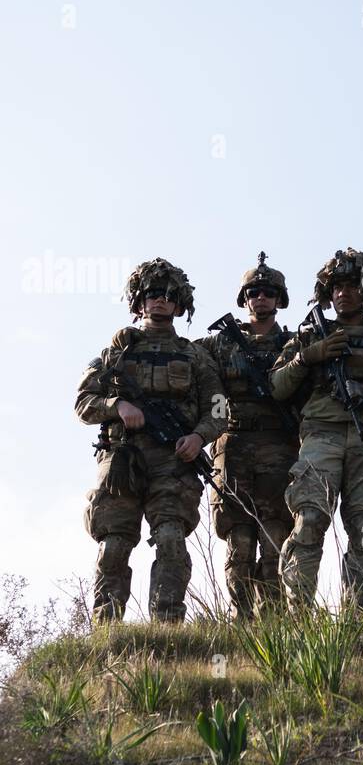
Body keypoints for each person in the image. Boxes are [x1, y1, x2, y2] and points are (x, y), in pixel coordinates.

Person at [76, 258, 225, 622]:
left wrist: (198, 437)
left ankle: (166, 628)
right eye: (152, 294)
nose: (159, 300)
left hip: (174, 461)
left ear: (179, 304)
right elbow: (83, 403)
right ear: (139, 302)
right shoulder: (115, 353)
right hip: (122, 459)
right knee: (113, 544)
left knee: (172, 540)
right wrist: (118, 404)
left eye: (167, 295)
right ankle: (105, 630)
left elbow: (219, 410)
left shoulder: (195, 355)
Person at [269, 249, 363, 608]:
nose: (342, 293)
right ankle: (298, 616)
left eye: (352, 286)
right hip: (321, 437)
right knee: (308, 519)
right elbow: (276, 386)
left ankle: (356, 618)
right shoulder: (309, 336)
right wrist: (308, 356)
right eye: (336, 286)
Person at [197, 253, 299, 618]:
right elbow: (184, 363)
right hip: (233, 443)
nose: (261, 298)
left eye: (268, 292)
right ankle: (240, 620)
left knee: (275, 538)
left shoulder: (293, 344)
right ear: (245, 298)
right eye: (254, 292)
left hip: (280, 446)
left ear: (279, 299)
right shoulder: (220, 343)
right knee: (238, 540)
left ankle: (271, 623)